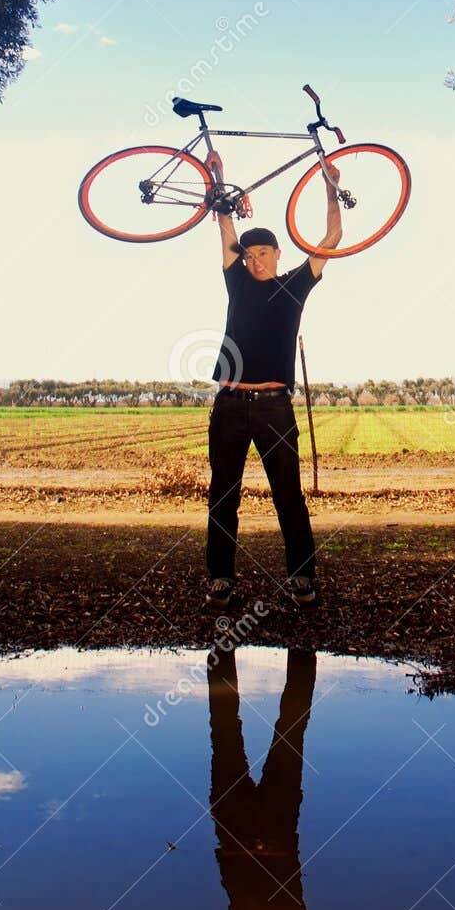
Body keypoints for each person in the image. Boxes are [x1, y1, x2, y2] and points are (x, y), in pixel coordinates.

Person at [203, 150, 341, 611]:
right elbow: (223, 223)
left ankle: (302, 579)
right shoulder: (236, 282)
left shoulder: (296, 284)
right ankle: (221, 579)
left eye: (263, 253)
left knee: (289, 497)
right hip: (228, 404)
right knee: (223, 496)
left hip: (274, 407)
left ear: (278, 254)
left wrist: (329, 185)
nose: (256, 260)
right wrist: (217, 172)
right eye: (249, 255)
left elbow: (333, 236)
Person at [208, 644, 347, 910]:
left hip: (234, 829)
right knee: (290, 728)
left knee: (226, 729)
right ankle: (302, 644)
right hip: (278, 827)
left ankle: (223, 643)